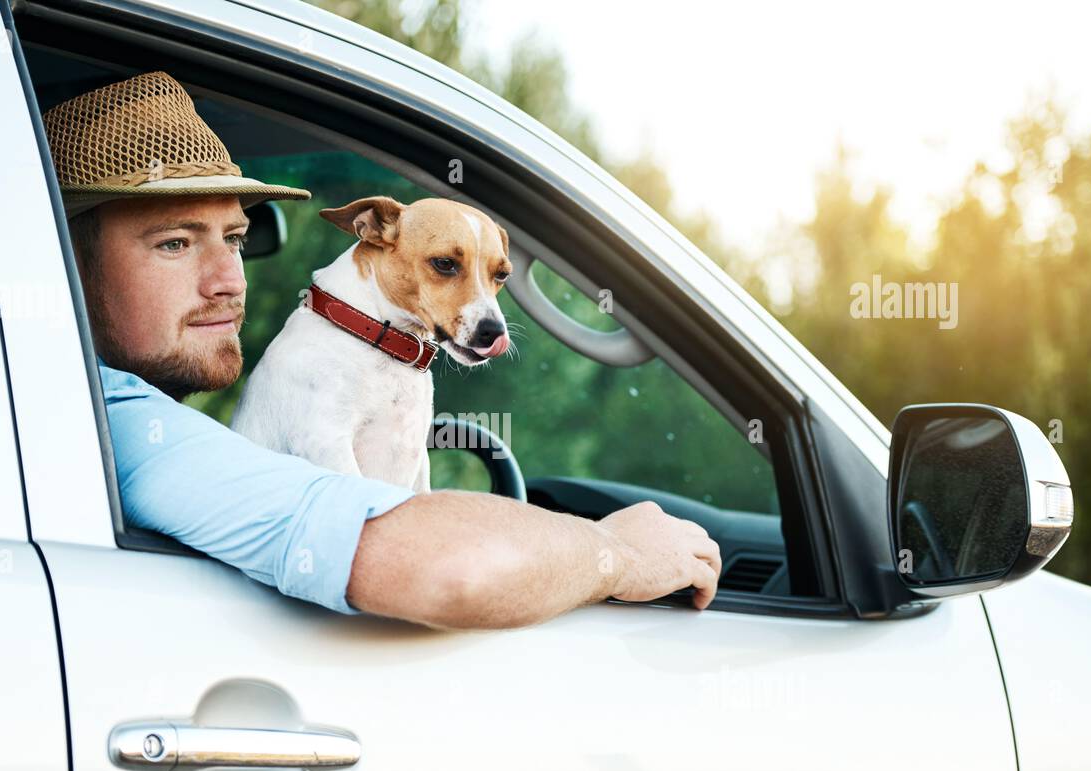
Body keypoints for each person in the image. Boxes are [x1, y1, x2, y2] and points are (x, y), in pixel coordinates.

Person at [41, 71, 720, 630]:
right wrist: (617, 555)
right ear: (66, 261)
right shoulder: (129, 432)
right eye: (175, 243)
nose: (229, 282)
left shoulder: (122, 436)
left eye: (237, 239)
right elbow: (448, 569)